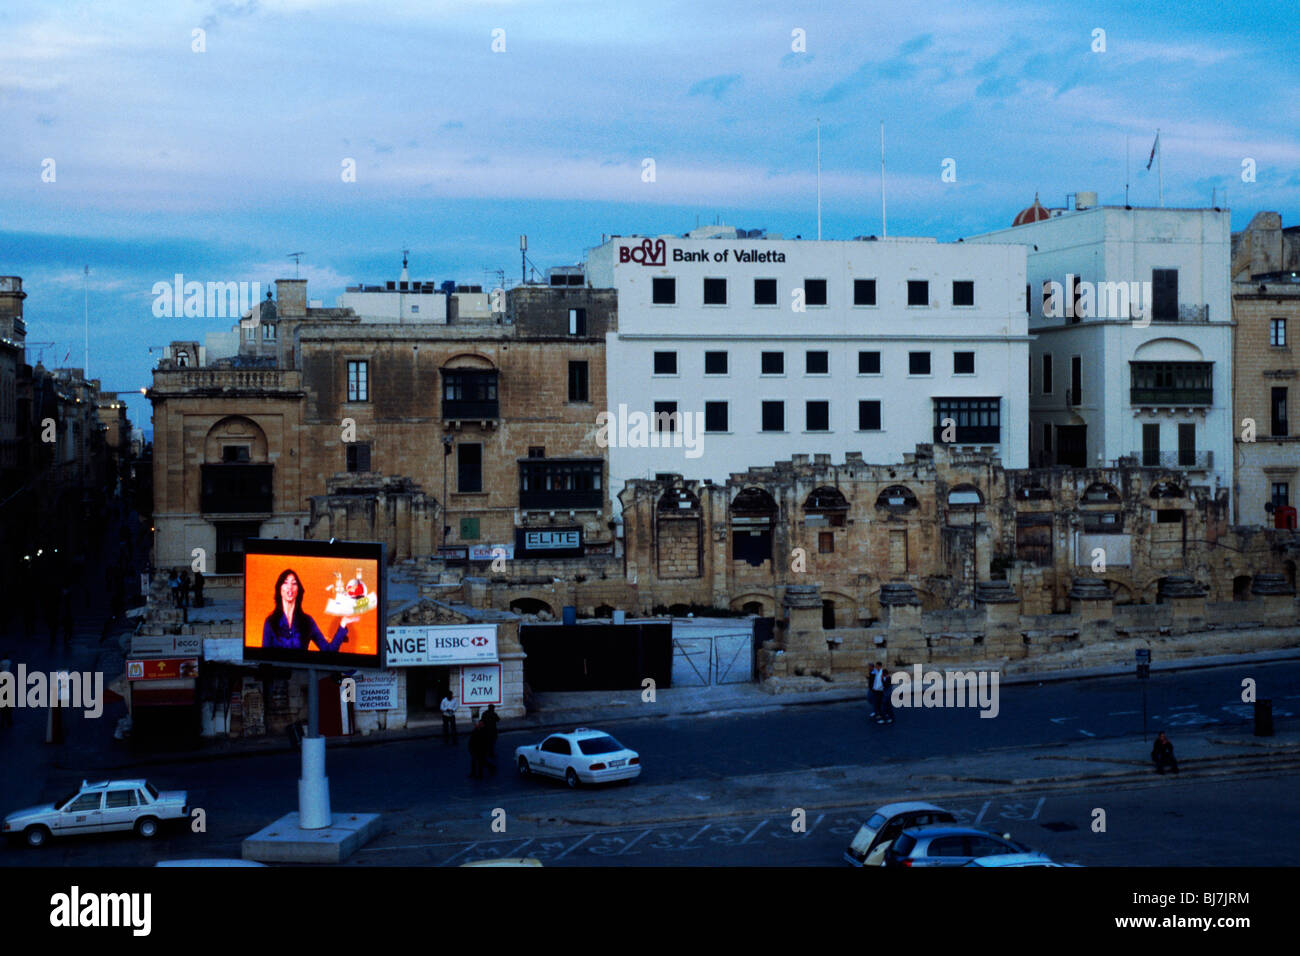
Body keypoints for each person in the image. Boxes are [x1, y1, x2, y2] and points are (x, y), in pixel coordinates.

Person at [260, 569, 355, 652]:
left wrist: (343, 624)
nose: (290, 587)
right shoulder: (270, 622)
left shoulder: (307, 621)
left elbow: (328, 650)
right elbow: (264, 659)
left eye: (294, 583)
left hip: (301, 672)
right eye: (285, 582)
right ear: (280, 588)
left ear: (298, 590)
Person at [481, 704, 500, 773]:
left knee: (487, 742)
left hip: (486, 730)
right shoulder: (494, 714)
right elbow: (498, 719)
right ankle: (490, 752)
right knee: (492, 742)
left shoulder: (484, 713)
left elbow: (482, 721)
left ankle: (488, 752)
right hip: (493, 730)